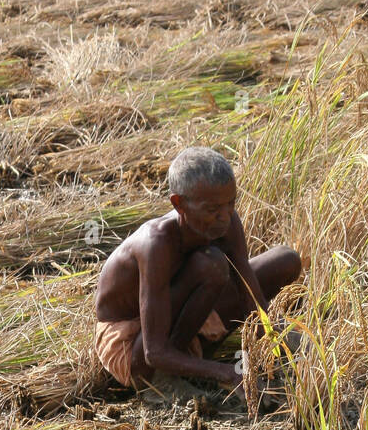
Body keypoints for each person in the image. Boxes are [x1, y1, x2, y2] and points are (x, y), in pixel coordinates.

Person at [94, 146, 303, 396]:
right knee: (211, 265)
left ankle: (188, 359)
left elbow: (251, 298)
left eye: (231, 204)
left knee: (285, 260)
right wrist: (228, 373)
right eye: (212, 210)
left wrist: (277, 342)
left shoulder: (226, 222)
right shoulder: (155, 245)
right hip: (137, 349)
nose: (225, 217)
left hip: (186, 319)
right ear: (179, 203)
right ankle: (165, 381)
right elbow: (154, 352)